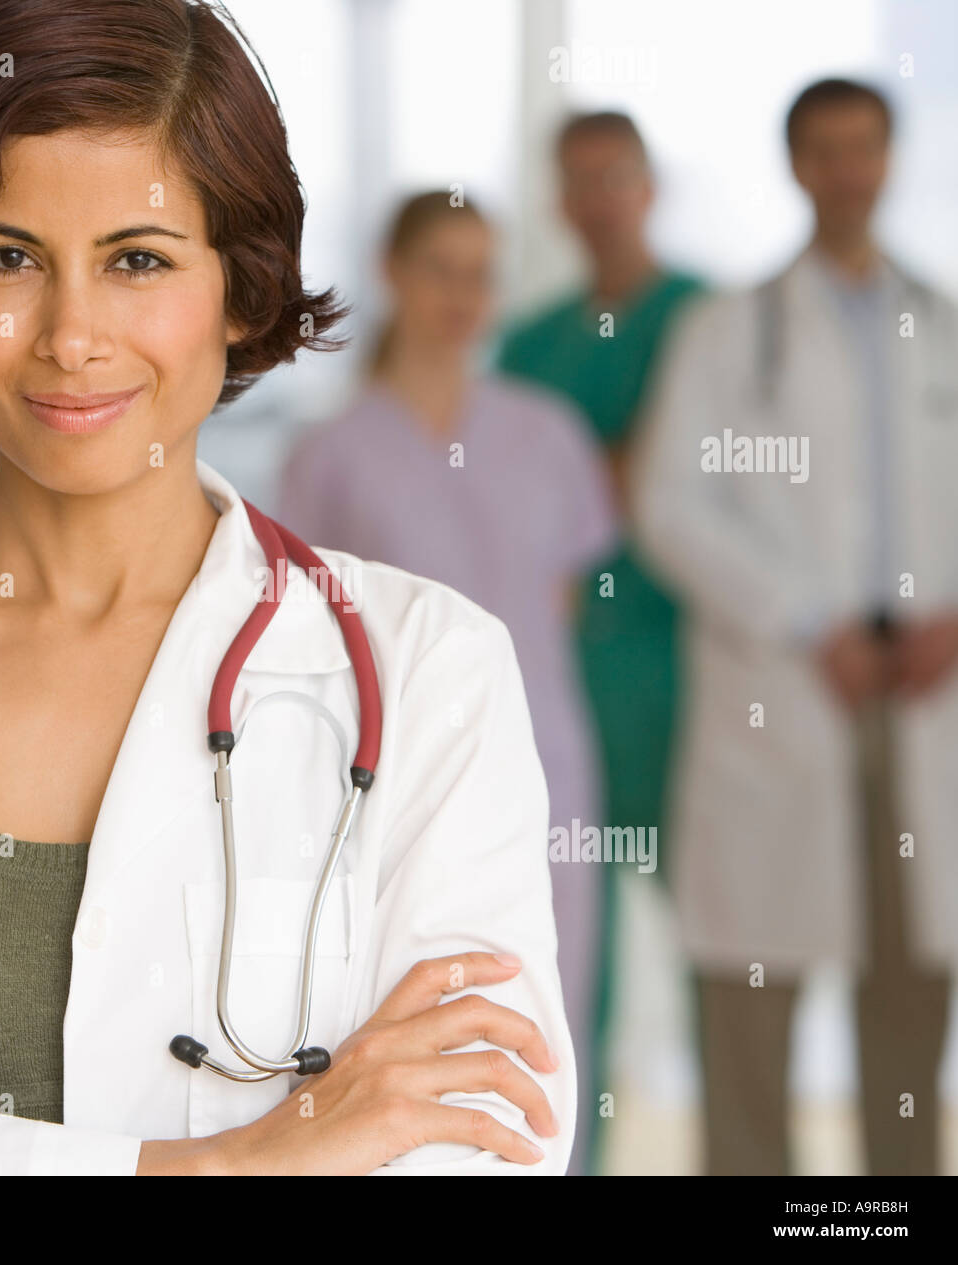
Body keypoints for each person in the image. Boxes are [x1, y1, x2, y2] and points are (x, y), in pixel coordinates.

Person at [0, 0, 576, 1177]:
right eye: (7, 257)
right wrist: (234, 1162)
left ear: (241, 292)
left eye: (137, 259)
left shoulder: (431, 670)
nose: (72, 334)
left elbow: (482, 1143)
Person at [632, 78, 958, 1175]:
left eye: (864, 147)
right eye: (824, 150)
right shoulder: (729, 331)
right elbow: (668, 504)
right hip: (787, 682)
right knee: (752, 1001)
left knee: (910, 991)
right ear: (796, 165)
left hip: (924, 696)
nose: (846, 171)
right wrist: (809, 619)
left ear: (889, 159)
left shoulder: (942, 322)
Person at [278, 192, 618, 1176]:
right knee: (398, 1012)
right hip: (385, 772)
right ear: (392, 272)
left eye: (481, 274)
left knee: (544, 1010)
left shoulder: (546, 433)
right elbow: (306, 629)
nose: (463, 295)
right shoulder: (332, 452)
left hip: (547, 755)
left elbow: (561, 603)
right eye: (441, 269)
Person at [492, 110, 705, 1172]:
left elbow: (678, 480)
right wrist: (620, 465)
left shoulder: (705, 319)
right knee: (570, 947)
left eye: (614, 175)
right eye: (576, 180)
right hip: (561, 675)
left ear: (649, 186)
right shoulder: (530, 343)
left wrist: (615, 471)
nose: (596, 200)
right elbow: (510, 500)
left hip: (690, 667)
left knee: (720, 943)